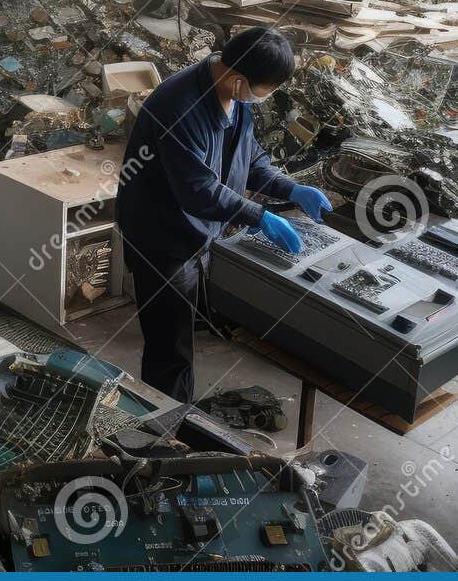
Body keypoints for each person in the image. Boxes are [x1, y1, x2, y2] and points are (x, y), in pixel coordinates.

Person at [116, 26, 330, 403]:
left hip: (200, 230)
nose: (266, 98)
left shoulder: (235, 95)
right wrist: (258, 215)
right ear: (239, 80)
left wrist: (288, 188)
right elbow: (198, 191)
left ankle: (178, 413)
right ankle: (165, 433)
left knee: (189, 323)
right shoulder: (178, 108)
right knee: (170, 345)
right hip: (163, 237)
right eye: (266, 91)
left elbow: (250, 158)